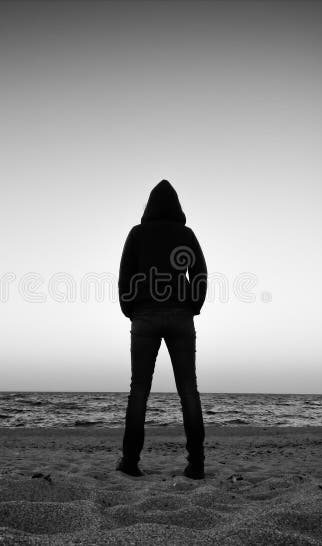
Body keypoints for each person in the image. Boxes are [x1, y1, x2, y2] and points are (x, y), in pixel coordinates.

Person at [116, 180, 208, 479]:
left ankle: (130, 461)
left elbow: (125, 274)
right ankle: (196, 464)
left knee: (139, 390)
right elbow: (200, 272)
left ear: (149, 207)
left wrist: (129, 308)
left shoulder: (137, 233)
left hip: (145, 315)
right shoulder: (185, 234)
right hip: (181, 316)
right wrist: (193, 303)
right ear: (178, 207)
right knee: (188, 390)